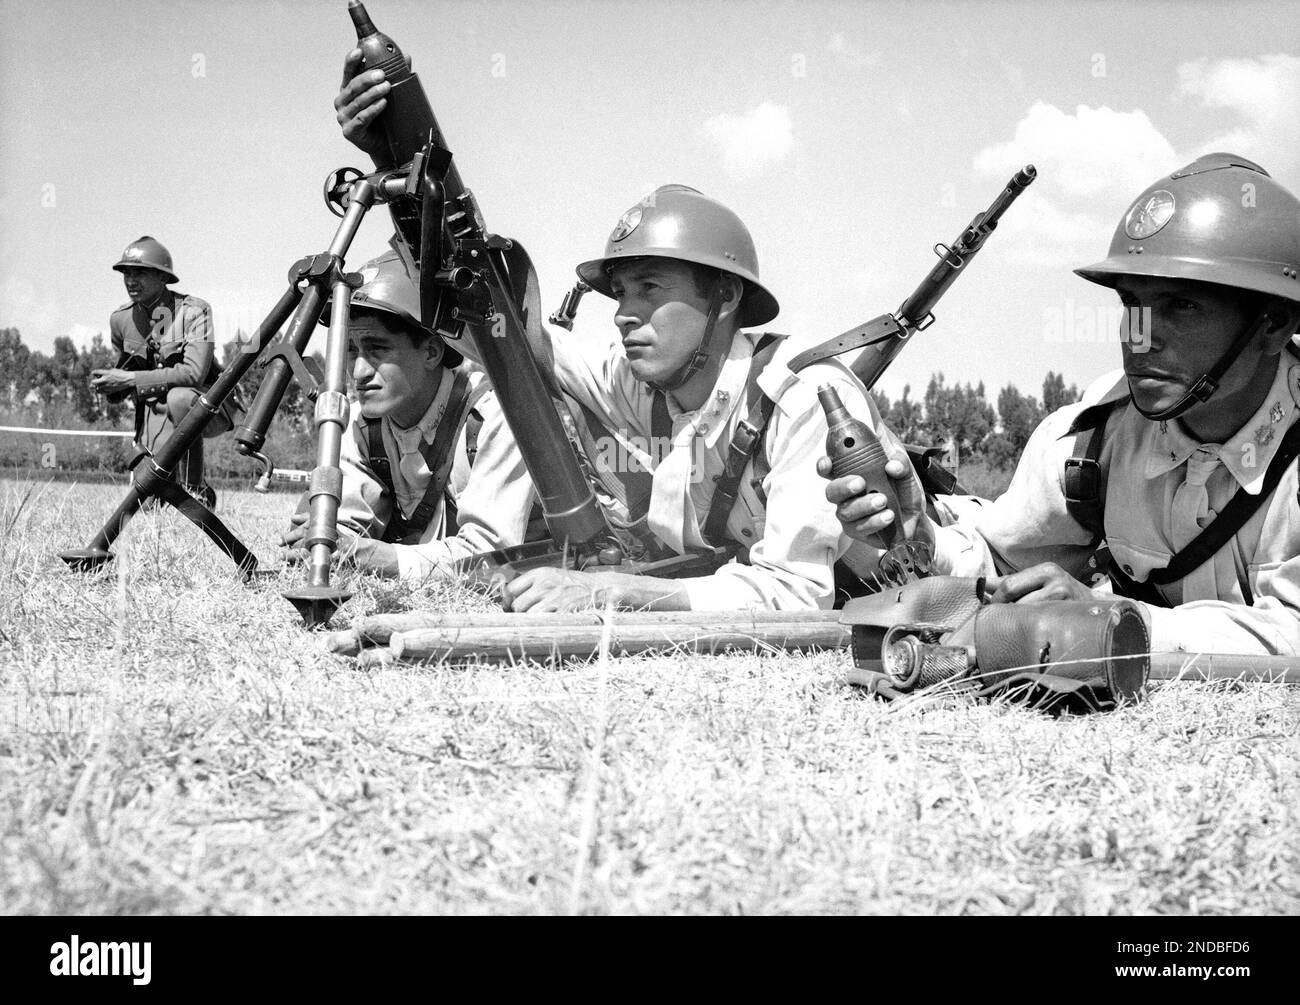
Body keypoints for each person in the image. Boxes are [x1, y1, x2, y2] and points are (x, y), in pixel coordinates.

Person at [333, 51, 911, 612]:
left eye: (651, 290)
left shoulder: (800, 398)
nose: (623, 313)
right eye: (621, 293)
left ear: (726, 296)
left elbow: (795, 592)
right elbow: (496, 332)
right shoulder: (642, 383)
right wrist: (407, 175)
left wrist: (620, 592)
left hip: (927, 580)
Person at [824, 153, 1300, 655]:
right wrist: (918, 533)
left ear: (1273, 324)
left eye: (1181, 306)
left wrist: (1118, 620)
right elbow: (1005, 562)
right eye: (1130, 304)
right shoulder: (1089, 438)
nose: (1139, 337)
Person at [282, 250, 539, 577]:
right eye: (350, 350)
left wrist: (384, 558)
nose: (359, 372)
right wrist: (325, 541)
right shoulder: (361, 427)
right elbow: (348, 526)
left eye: (377, 349)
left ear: (431, 351)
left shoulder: (496, 415)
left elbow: (489, 556)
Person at [92, 236, 219, 507]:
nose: (130, 280)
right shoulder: (121, 319)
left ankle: (195, 489)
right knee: (148, 501)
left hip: (203, 403)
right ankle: (168, 488)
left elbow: (194, 373)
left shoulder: (195, 311)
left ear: (163, 277)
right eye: (126, 272)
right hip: (152, 409)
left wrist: (130, 379)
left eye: (140, 272)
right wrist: (112, 385)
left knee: (180, 397)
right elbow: (128, 367)